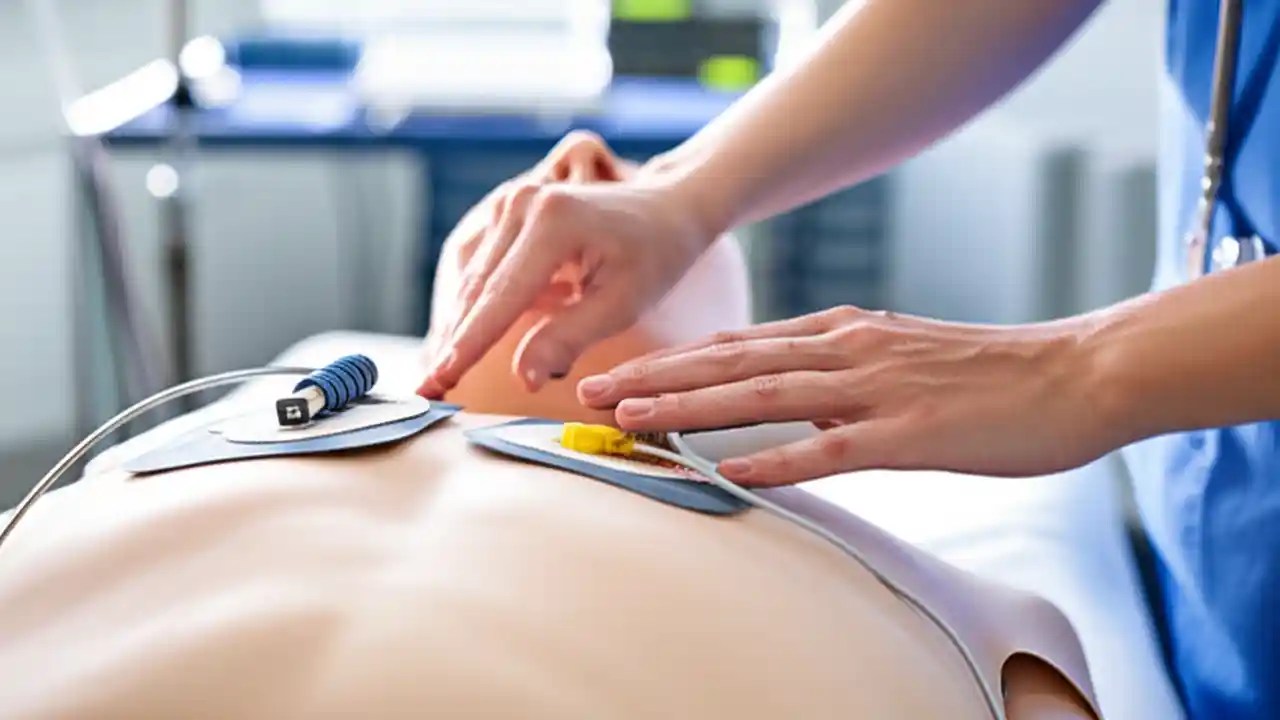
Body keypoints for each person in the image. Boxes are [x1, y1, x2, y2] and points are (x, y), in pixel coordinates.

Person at [0, 140, 1098, 720]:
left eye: (649, 180)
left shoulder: (965, 597)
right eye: (524, 189)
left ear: (745, 339)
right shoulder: (167, 446)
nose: (575, 162)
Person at [416, 3, 1280, 718]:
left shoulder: (944, 604)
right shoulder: (315, 432)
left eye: (619, 168)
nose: (577, 161)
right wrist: (682, 189)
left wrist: (1071, 374)